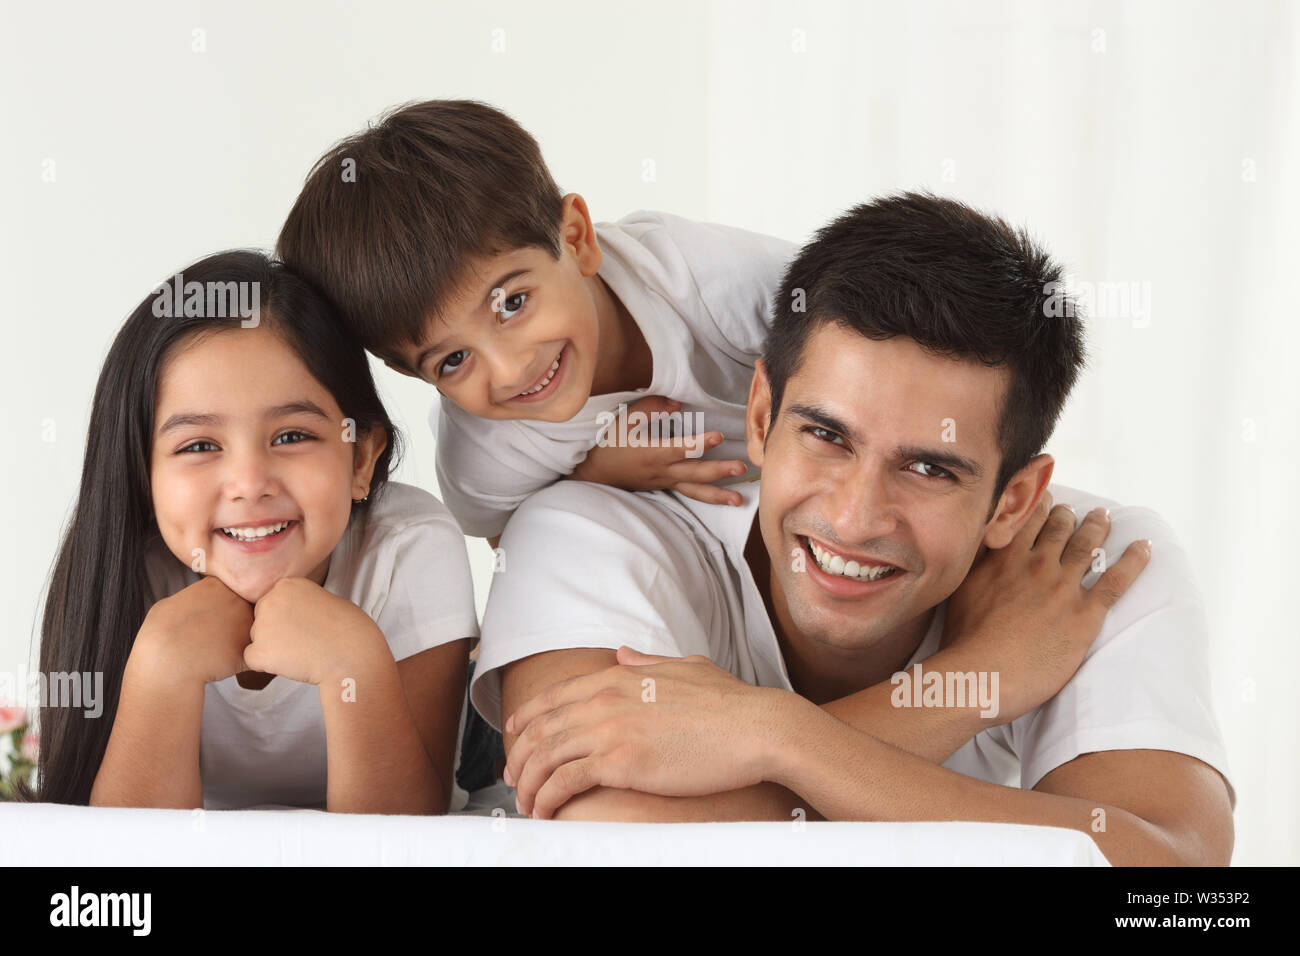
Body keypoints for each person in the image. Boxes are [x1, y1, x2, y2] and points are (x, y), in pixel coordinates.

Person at [473, 194, 1236, 865]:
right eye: (827, 437)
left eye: (931, 469)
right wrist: (972, 684)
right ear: (762, 415)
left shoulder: (1090, 569)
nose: (854, 517)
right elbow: (606, 837)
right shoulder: (586, 530)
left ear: (1012, 501)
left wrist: (779, 737)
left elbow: (1177, 888)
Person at [35, 251, 478, 813]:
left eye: (292, 436)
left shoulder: (409, 549)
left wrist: (355, 666)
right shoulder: (123, 570)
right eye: (199, 446)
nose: (249, 484)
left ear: (362, 458)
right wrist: (161, 669)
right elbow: (124, 867)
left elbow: (406, 840)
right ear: (142, 475)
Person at [276, 99, 797, 544]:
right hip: (714, 557)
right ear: (412, 374)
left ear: (576, 239)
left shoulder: (702, 276)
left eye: (512, 304)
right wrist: (596, 473)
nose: (508, 371)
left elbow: (854, 324)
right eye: (453, 360)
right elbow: (515, 546)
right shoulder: (484, 451)